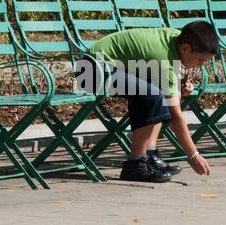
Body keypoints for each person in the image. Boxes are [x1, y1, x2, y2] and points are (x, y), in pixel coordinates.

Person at [81, 20, 218, 183]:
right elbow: (176, 115)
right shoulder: (164, 62)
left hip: (109, 67)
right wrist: (193, 155)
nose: (199, 65)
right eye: (200, 60)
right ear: (186, 48)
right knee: (154, 95)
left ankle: (149, 155)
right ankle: (135, 164)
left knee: (158, 92)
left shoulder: (177, 39)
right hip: (90, 71)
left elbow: (173, 77)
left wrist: (179, 86)